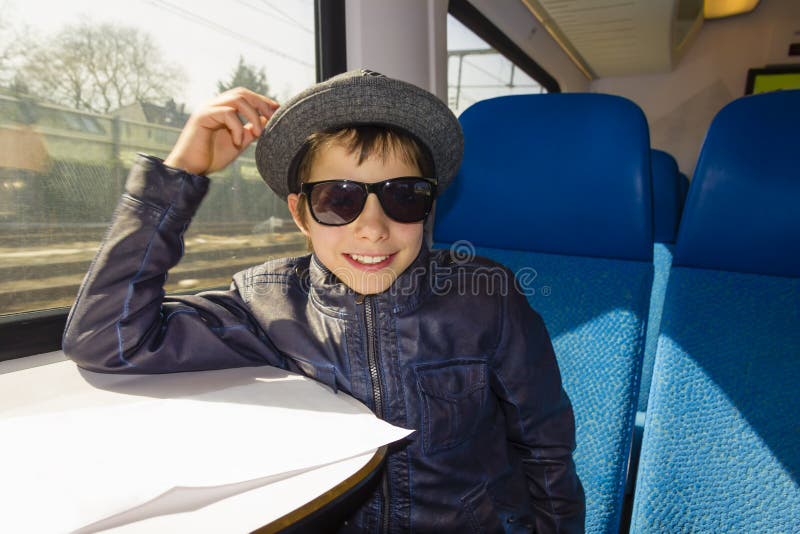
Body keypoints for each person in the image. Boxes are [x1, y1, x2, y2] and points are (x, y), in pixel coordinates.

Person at [63, 69, 585, 533]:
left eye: (404, 197)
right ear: (301, 213)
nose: (373, 229)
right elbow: (105, 340)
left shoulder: (484, 299)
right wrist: (180, 176)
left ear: (428, 208)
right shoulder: (268, 305)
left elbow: (544, 447)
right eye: (339, 199)